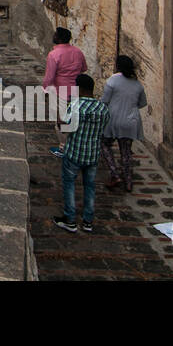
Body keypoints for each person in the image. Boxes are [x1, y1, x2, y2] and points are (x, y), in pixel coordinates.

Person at [53, 73, 110, 234]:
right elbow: (104, 128)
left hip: (74, 153)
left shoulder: (76, 105)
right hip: (92, 154)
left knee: (69, 185)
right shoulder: (102, 108)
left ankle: (70, 220)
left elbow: (66, 127)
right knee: (90, 187)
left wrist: (59, 121)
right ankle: (87, 221)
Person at [100, 55, 147, 192]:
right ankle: (128, 181)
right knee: (126, 152)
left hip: (114, 119)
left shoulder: (113, 80)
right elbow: (142, 103)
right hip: (131, 121)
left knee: (104, 144)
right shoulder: (138, 85)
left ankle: (114, 173)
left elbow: (105, 100)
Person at [43, 27, 87, 155]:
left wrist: (45, 90)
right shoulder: (78, 52)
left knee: (61, 121)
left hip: (61, 91)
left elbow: (49, 76)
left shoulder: (54, 54)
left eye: (55, 35)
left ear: (59, 38)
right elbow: (84, 68)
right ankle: (74, 145)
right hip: (77, 90)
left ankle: (63, 147)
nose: (53, 36)